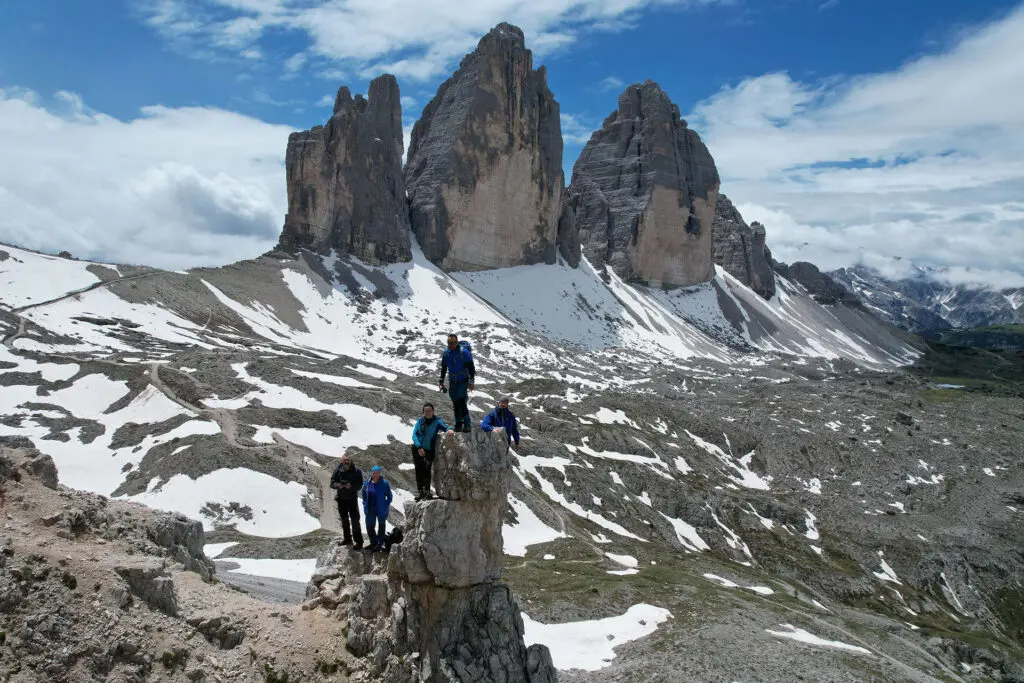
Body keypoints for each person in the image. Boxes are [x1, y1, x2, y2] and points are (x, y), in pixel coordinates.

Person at [411, 402, 454, 501]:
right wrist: (419, 447)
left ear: (433, 411)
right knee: (419, 469)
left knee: (427, 470)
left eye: (429, 410)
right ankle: (421, 492)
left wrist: (449, 430)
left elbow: (445, 427)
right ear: (423, 412)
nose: (427, 412)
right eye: (425, 411)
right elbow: (414, 435)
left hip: (429, 450)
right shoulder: (420, 421)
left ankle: (427, 492)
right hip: (417, 449)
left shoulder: (437, 421)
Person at [439, 333, 475, 432]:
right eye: (450, 343)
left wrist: (471, 381)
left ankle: (467, 423)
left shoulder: (464, 352)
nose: (452, 345)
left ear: (457, 342)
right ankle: (458, 423)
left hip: (463, 380)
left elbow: (471, 367)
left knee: (461, 401)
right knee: (455, 402)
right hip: (453, 381)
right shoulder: (446, 353)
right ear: (447, 343)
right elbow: (444, 367)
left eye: (454, 343)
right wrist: (441, 380)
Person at [329, 453, 364, 549]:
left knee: (355, 520)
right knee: (344, 520)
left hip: (352, 499)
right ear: (342, 461)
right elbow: (332, 483)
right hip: (341, 499)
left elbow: (360, 485)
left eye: (348, 460)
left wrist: (351, 486)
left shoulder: (357, 471)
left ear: (351, 461)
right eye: (344, 460)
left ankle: (359, 542)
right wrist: (338, 485)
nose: (346, 462)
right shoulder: (338, 470)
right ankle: (347, 538)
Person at [361, 465, 393, 552]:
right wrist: (364, 505)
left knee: (381, 526)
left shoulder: (384, 483)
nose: (375, 475)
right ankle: (373, 543)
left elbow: (389, 496)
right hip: (370, 508)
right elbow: (363, 495)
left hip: (381, 509)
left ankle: (379, 544)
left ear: (379, 473)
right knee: (369, 526)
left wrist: (385, 505)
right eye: (374, 473)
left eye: (377, 473)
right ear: (371, 473)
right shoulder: (367, 483)